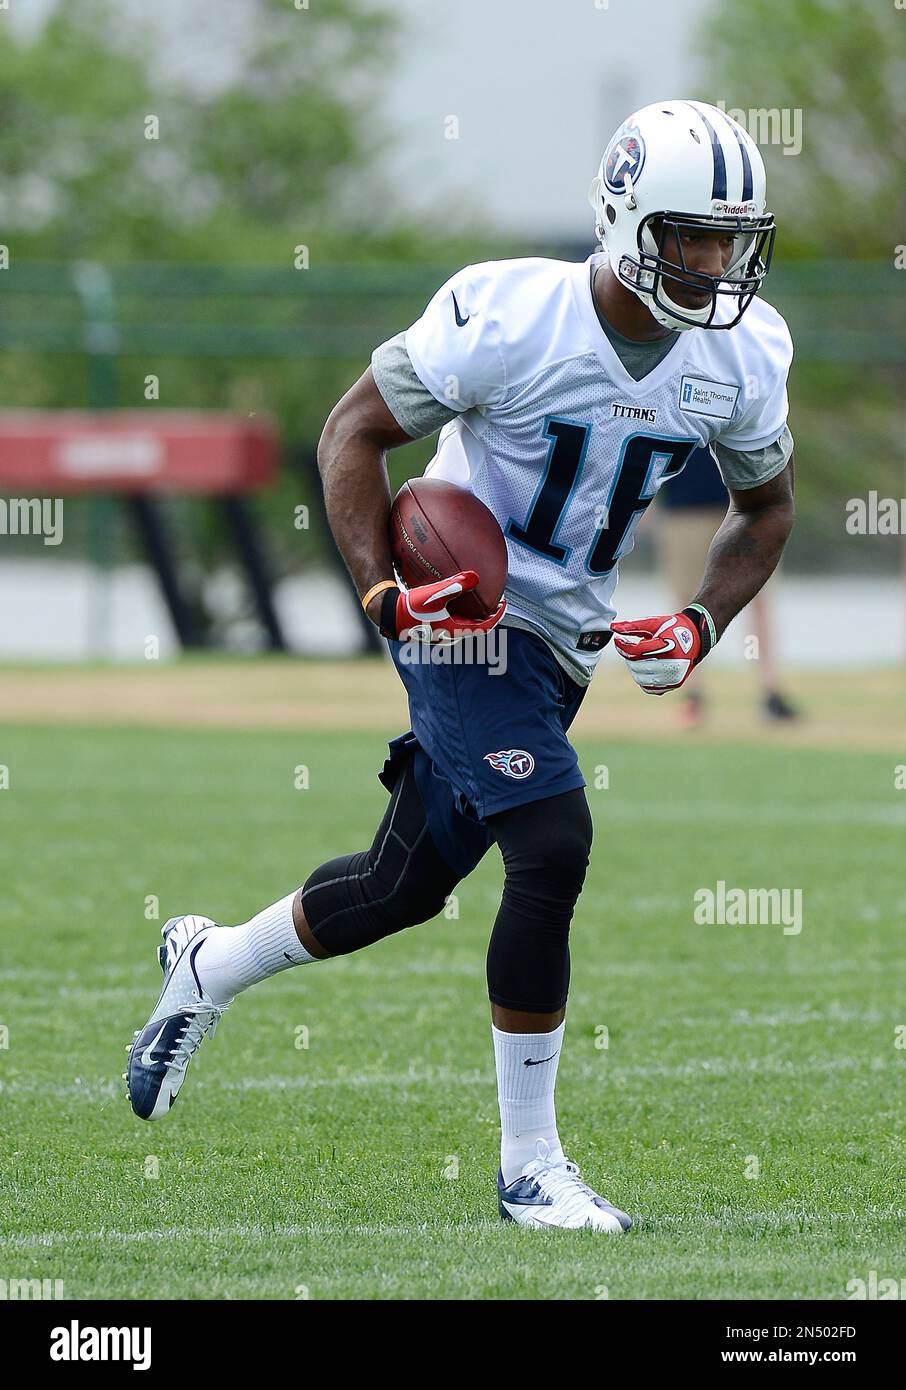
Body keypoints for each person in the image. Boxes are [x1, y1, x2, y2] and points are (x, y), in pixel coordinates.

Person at [126, 100, 795, 1234]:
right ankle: (530, 1165)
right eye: (692, 236)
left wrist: (697, 623)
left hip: (564, 642)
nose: (716, 264)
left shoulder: (742, 353)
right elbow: (351, 431)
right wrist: (385, 595)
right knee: (553, 839)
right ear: (628, 220)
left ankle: (208, 964)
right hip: (461, 612)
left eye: (731, 240)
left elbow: (766, 506)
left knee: (403, 885)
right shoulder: (511, 315)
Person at [656, 444, 799, 725]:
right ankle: (693, 695)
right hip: (685, 507)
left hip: (745, 504)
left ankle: (769, 692)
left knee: (757, 596)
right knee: (687, 604)